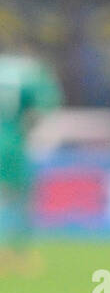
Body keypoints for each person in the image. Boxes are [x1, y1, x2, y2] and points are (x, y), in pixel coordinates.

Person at [0, 40, 62, 276]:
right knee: (19, 197)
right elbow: (46, 105)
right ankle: (16, 253)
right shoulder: (31, 72)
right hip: (12, 141)